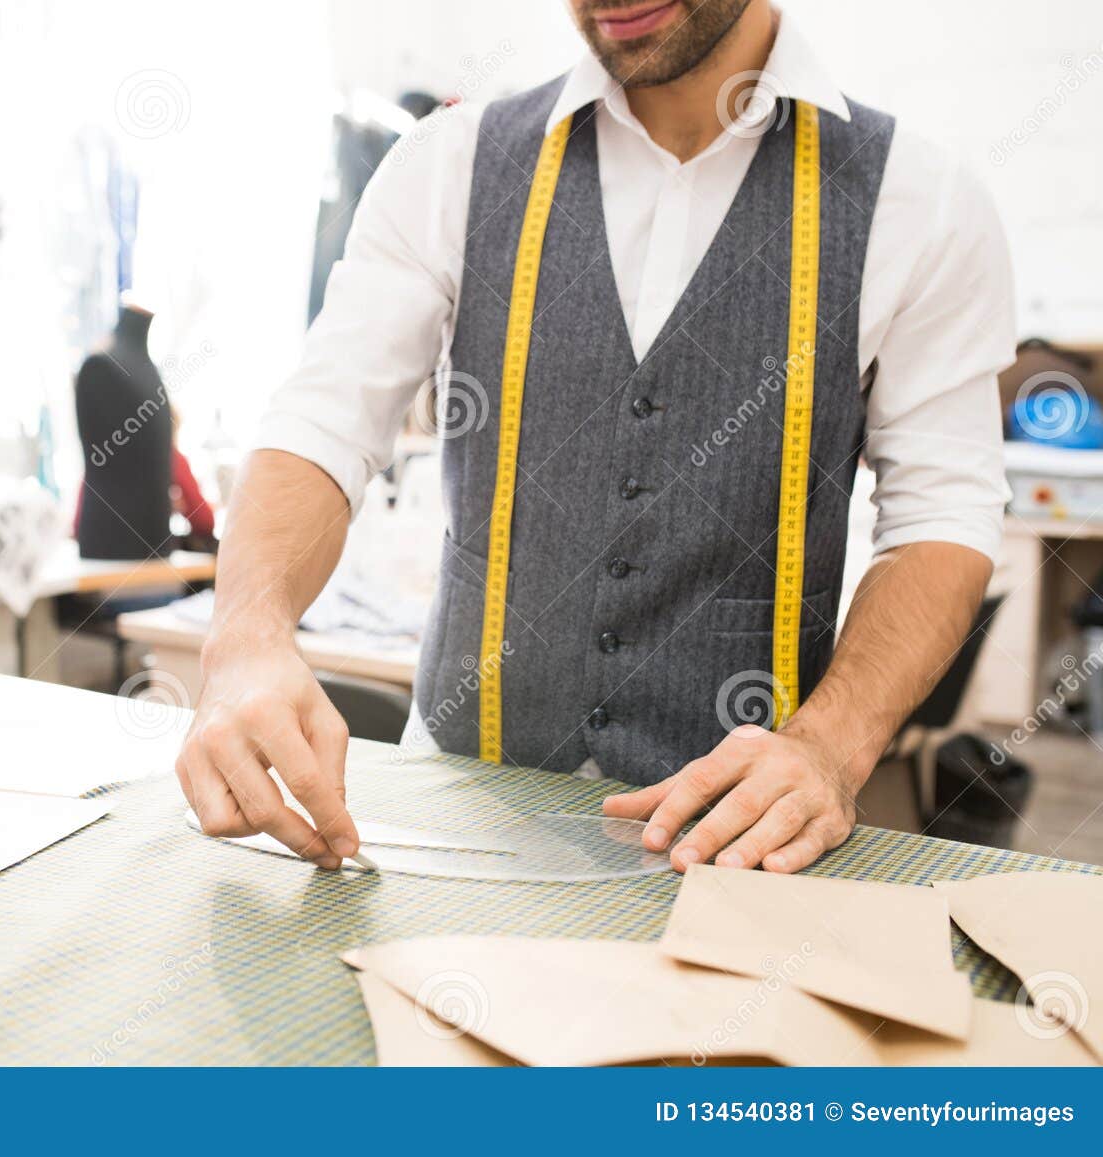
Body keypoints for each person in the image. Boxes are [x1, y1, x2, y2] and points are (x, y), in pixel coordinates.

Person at [175, 0, 1012, 875]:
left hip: (735, 854)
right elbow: (327, 418)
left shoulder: (924, 204)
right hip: (454, 828)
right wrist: (248, 633)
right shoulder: (449, 165)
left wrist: (831, 747)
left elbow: (941, 518)